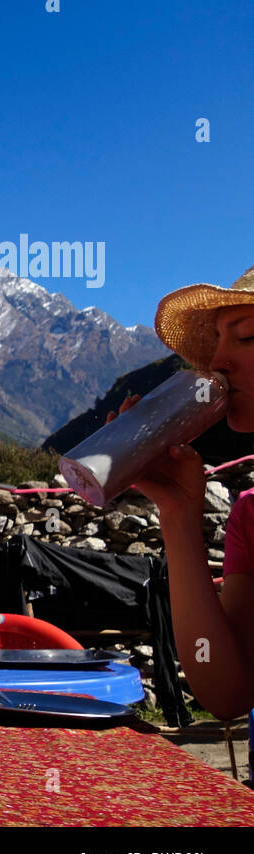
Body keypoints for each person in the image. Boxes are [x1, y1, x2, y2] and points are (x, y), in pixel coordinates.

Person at [110, 266, 254, 721]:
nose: (217, 361)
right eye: (216, 340)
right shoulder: (249, 515)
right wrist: (177, 512)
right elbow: (226, 693)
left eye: (246, 337)